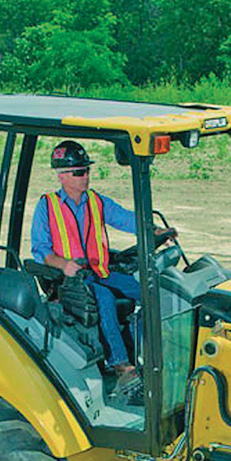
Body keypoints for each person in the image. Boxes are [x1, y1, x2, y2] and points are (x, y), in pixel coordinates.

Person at [30, 140, 142, 394]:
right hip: (72, 281)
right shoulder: (47, 206)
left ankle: (147, 352)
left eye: (87, 170)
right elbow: (41, 250)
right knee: (103, 298)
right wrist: (63, 264)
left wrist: (154, 229)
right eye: (79, 172)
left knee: (147, 290)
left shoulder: (96, 201)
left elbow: (126, 219)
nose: (86, 176)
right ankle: (121, 367)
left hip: (101, 272)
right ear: (61, 176)